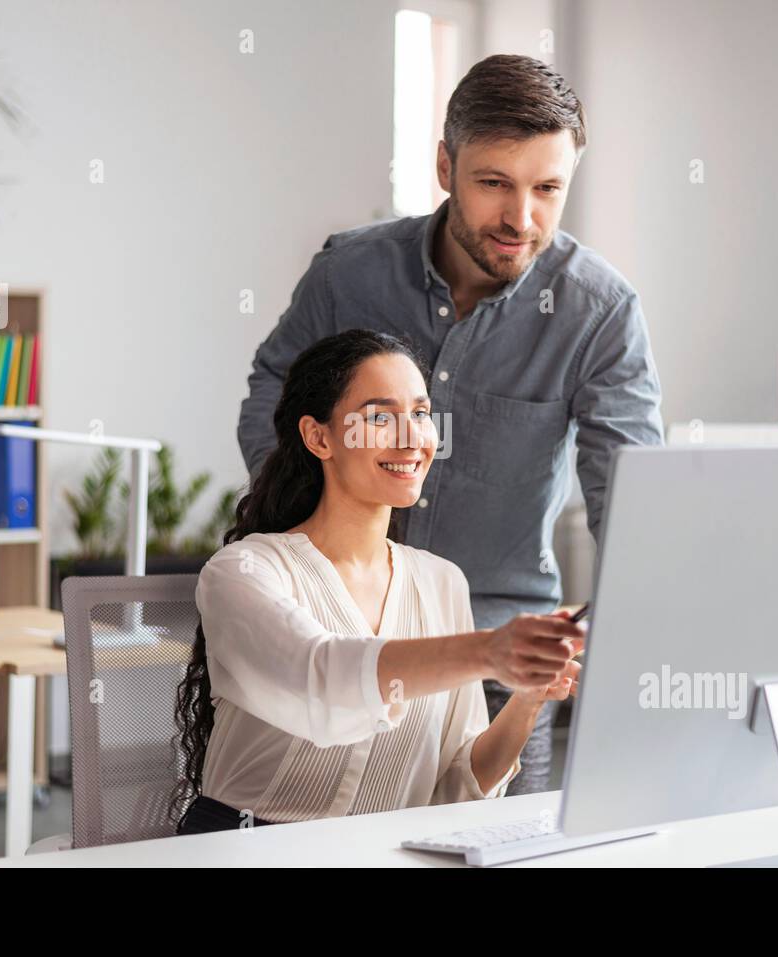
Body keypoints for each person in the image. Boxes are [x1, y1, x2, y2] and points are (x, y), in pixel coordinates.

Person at [237, 55, 663, 792]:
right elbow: (273, 395)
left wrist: (626, 611)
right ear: (445, 165)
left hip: (505, 670)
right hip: (343, 645)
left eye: (547, 189)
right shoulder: (350, 275)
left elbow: (635, 498)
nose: (520, 218)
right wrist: (319, 524)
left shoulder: (600, 312)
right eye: (494, 182)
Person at [172, 329, 584, 832]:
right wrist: (489, 652)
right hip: (248, 852)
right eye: (379, 418)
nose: (412, 438)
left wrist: (527, 699)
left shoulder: (441, 582)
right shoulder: (244, 572)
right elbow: (321, 678)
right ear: (318, 437)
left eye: (420, 413)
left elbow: (456, 789)